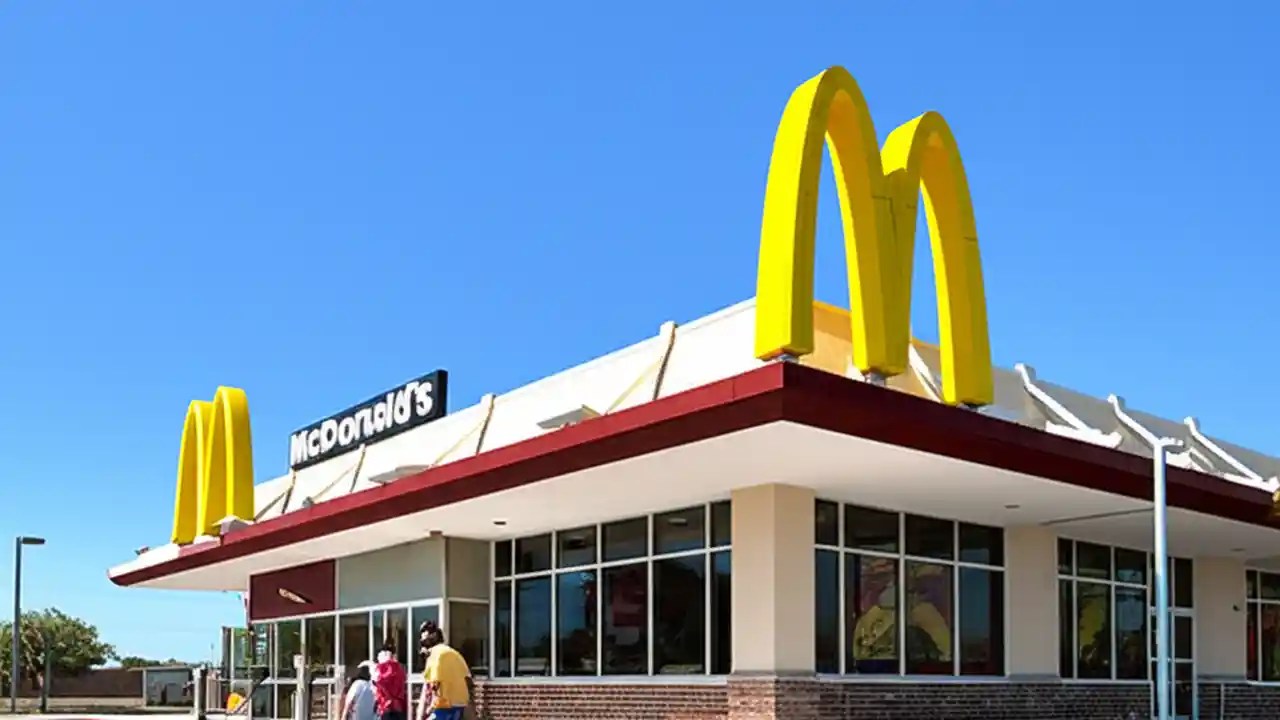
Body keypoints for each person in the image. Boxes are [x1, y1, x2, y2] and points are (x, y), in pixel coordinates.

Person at [418, 622, 472, 720]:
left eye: (423, 643)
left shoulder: (434, 655)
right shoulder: (456, 654)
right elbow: (468, 680)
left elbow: (432, 685)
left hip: (444, 706)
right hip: (460, 706)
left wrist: (424, 712)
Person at [373, 641, 408, 720]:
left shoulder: (384, 667)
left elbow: (381, 682)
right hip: (399, 706)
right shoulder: (399, 667)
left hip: (388, 707)